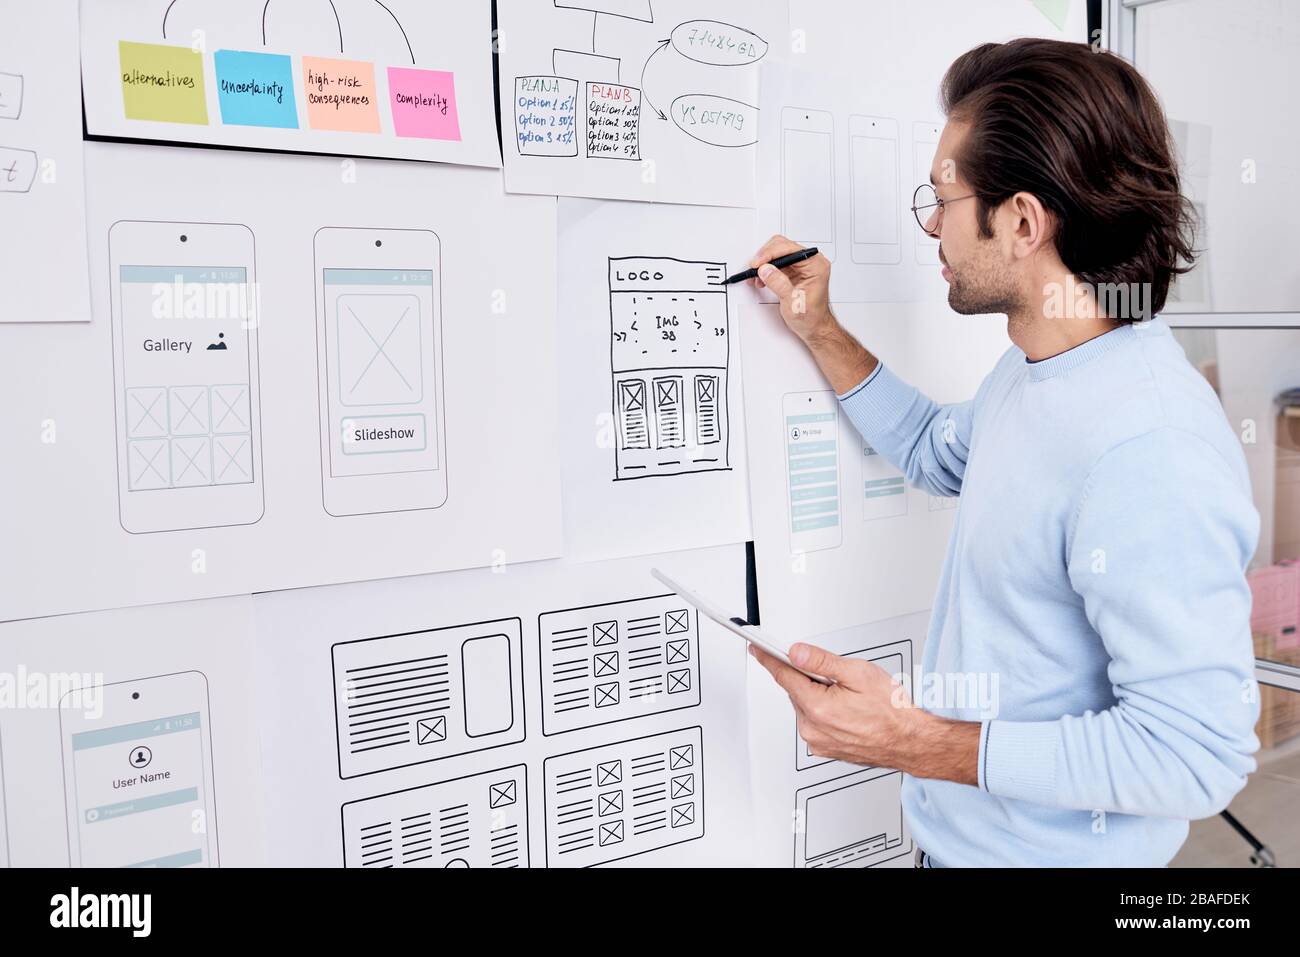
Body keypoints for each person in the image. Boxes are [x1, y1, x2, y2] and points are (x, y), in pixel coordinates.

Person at [749, 38, 1261, 867]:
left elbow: (1195, 753)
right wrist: (819, 327)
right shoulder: (1035, 374)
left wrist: (917, 742)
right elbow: (928, 448)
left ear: (1022, 221)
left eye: (944, 196)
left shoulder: (1148, 445)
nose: (930, 223)